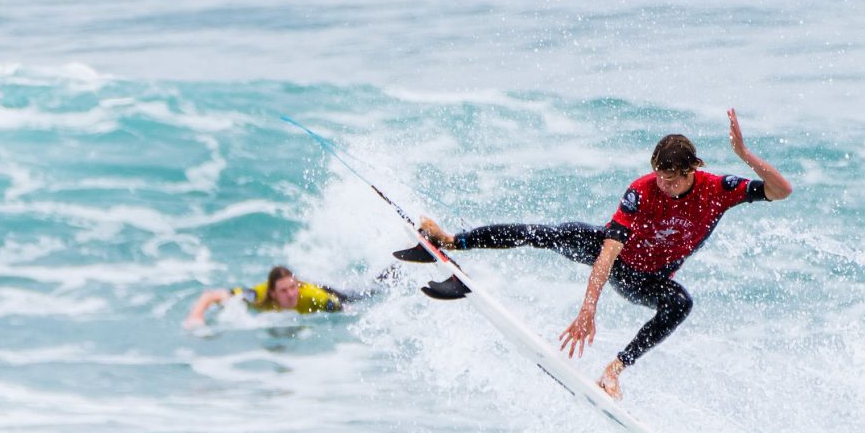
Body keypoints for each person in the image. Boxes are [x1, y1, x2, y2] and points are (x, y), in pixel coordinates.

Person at [395, 109, 791, 398]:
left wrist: (743, 154)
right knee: (551, 233)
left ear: (692, 171)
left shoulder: (716, 190)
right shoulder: (641, 190)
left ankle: (614, 370)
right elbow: (607, 252)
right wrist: (588, 308)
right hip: (617, 259)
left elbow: (781, 190)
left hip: (649, 280)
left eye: (671, 180)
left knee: (680, 304)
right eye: (659, 177)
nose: (664, 186)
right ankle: (451, 242)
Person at [181, 264, 367, 329]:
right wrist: (195, 316)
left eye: (293, 288)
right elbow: (210, 296)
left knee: (362, 293)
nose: (291, 294)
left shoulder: (313, 297)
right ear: (272, 293)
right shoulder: (258, 296)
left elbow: (345, 310)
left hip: (328, 292)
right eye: (284, 291)